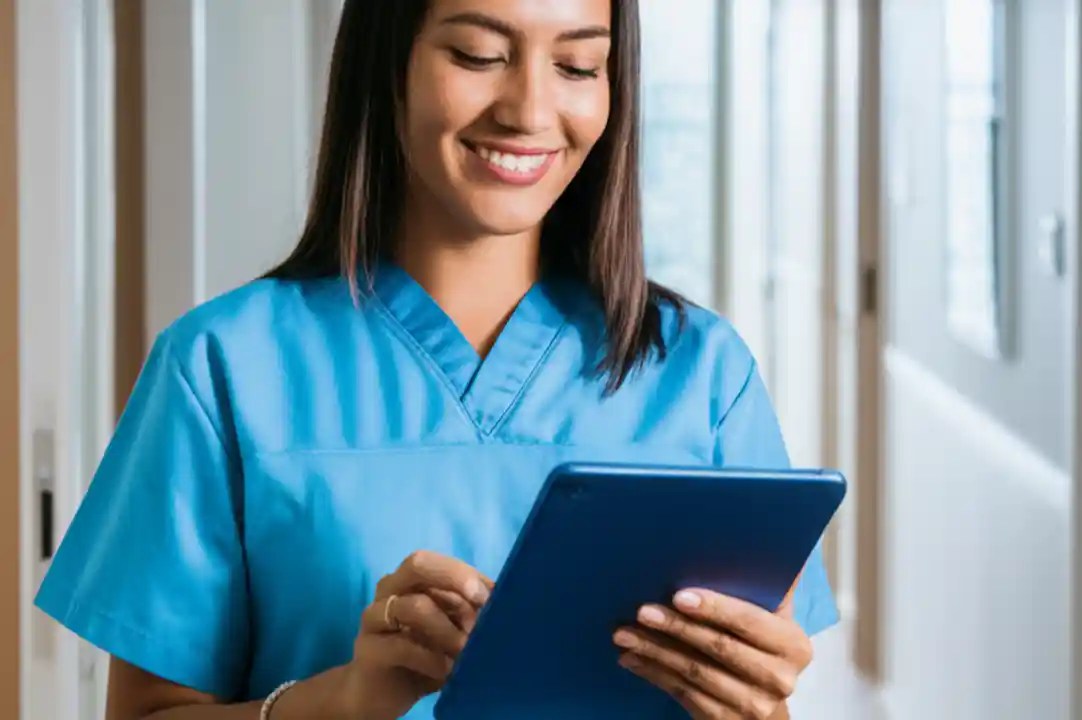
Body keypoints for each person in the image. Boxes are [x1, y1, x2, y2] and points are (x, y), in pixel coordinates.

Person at [35, 0, 838, 717]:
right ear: (390, 63)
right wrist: (340, 703)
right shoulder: (221, 367)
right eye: (478, 55)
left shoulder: (703, 374)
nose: (530, 109)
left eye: (577, 65)